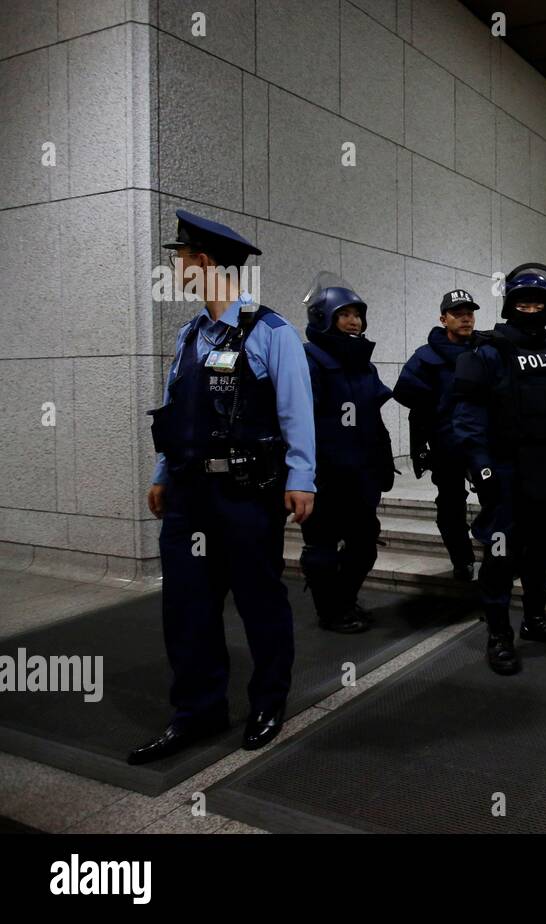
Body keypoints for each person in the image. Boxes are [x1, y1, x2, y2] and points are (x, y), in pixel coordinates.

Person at [130, 210, 314, 763]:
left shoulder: (271, 332)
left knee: (260, 602)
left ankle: (267, 703)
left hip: (246, 495)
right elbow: (177, 413)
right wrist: (164, 473)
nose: (177, 265)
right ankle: (197, 711)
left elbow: (295, 411)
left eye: (181, 256)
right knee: (187, 606)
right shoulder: (189, 334)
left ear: (203, 262)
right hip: (189, 497)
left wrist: (302, 477)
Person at [452, 264, 546, 675]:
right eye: (523, 302)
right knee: (501, 557)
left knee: (543, 552)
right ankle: (499, 635)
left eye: (538, 302)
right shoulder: (489, 350)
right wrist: (482, 470)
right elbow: (468, 418)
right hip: (506, 473)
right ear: (509, 305)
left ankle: (535, 619)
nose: (530, 308)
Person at [299, 272, 397, 634]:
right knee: (322, 548)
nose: (354, 320)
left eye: (357, 313)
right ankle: (331, 611)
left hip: (361, 474)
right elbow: (299, 423)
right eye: (345, 314)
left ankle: (344, 600)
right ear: (324, 318)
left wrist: (384, 460)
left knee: (364, 545)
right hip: (325, 475)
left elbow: (374, 419)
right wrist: (303, 475)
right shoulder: (309, 361)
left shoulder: (363, 365)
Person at [394, 290, 481, 582]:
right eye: (458, 313)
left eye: (469, 313)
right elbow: (406, 393)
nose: (466, 318)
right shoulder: (426, 356)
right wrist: (426, 434)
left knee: (499, 501)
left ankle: (499, 556)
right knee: (451, 506)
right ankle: (462, 560)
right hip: (447, 446)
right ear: (444, 319)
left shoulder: (485, 350)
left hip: (483, 443)